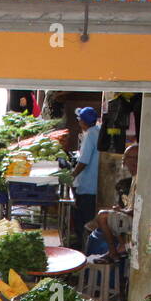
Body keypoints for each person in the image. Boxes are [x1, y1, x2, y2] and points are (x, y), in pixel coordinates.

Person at [70, 107, 102, 249]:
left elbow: (84, 161)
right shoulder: (98, 131)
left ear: (82, 122)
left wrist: (72, 175)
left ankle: (82, 246)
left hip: (87, 185)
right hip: (94, 183)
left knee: (83, 217)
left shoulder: (89, 135)